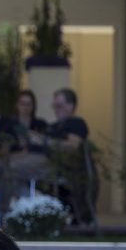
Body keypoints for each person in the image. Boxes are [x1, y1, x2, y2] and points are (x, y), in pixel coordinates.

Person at [45, 88, 94, 224]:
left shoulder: (77, 123)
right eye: (54, 106)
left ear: (71, 106)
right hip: (52, 168)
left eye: (59, 105)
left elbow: (74, 145)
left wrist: (47, 142)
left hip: (69, 171)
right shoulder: (53, 127)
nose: (56, 109)